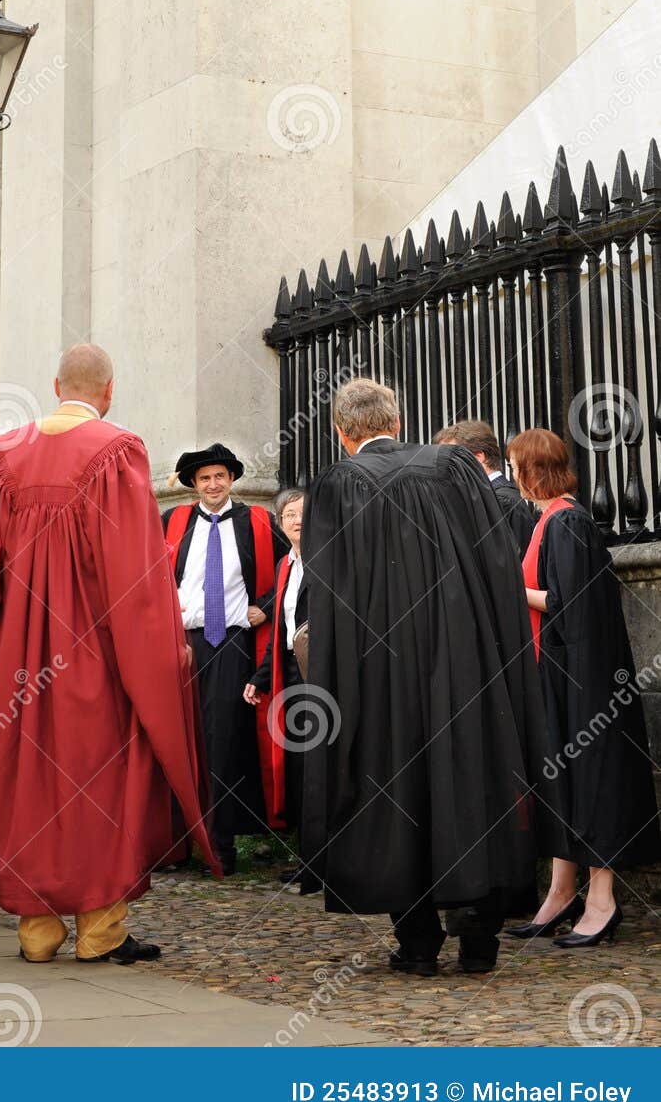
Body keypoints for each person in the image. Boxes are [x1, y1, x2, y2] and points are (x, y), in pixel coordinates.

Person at [0, 344, 217, 965]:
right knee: (98, 785)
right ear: (108, 391)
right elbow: (137, 581)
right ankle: (101, 929)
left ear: (56, 384)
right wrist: (161, 657)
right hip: (93, 659)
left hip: (12, 663)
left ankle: (37, 932)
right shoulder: (118, 452)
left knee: (24, 782)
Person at [301, 379, 553, 976]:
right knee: (471, 782)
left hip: (379, 674)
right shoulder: (455, 466)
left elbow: (327, 596)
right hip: (464, 663)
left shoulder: (338, 483)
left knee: (393, 796)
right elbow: (497, 566)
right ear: (398, 416)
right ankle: (479, 941)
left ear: (342, 431)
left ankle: (416, 945)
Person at [506, 428, 661, 947]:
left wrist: (509, 589)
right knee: (562, 785)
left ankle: (601, 901)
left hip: (582, 682)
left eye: (516, 466)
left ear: (533, 470)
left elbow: (567, 604)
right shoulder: (549, 518)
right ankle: (561, 891)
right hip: (558, 674)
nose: (512, 476)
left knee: (592, 784)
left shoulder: (568, 520)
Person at [162, 444, 288, 873]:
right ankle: (176, 841)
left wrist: (267, 606)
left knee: (223, 741)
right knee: (177, 738)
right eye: (204, 479)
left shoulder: (257, 521)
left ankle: (221, 843)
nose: (213, 484)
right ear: (193, 485)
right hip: (181, 643)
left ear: (231, 479)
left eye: (219, 476)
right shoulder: (174, 522)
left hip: (233, 643)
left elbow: (294, 564)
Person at [243, 488, 312, 883]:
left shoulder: (325, 561)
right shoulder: (286, 563)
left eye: (304, 512)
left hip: (315, 674)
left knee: (315, 767)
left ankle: (323, 862)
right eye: (289, 514)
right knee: (297, 768)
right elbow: (281, 633)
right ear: (280, 523)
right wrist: (259, 677)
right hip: (289, 670)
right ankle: (309, 859)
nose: (297, 520)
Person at [437, 420, 537, 556]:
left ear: (478, 457)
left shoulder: (502, 501)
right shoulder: (489, 497)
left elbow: (517, 563)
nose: (446, 467)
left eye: (452, 459)